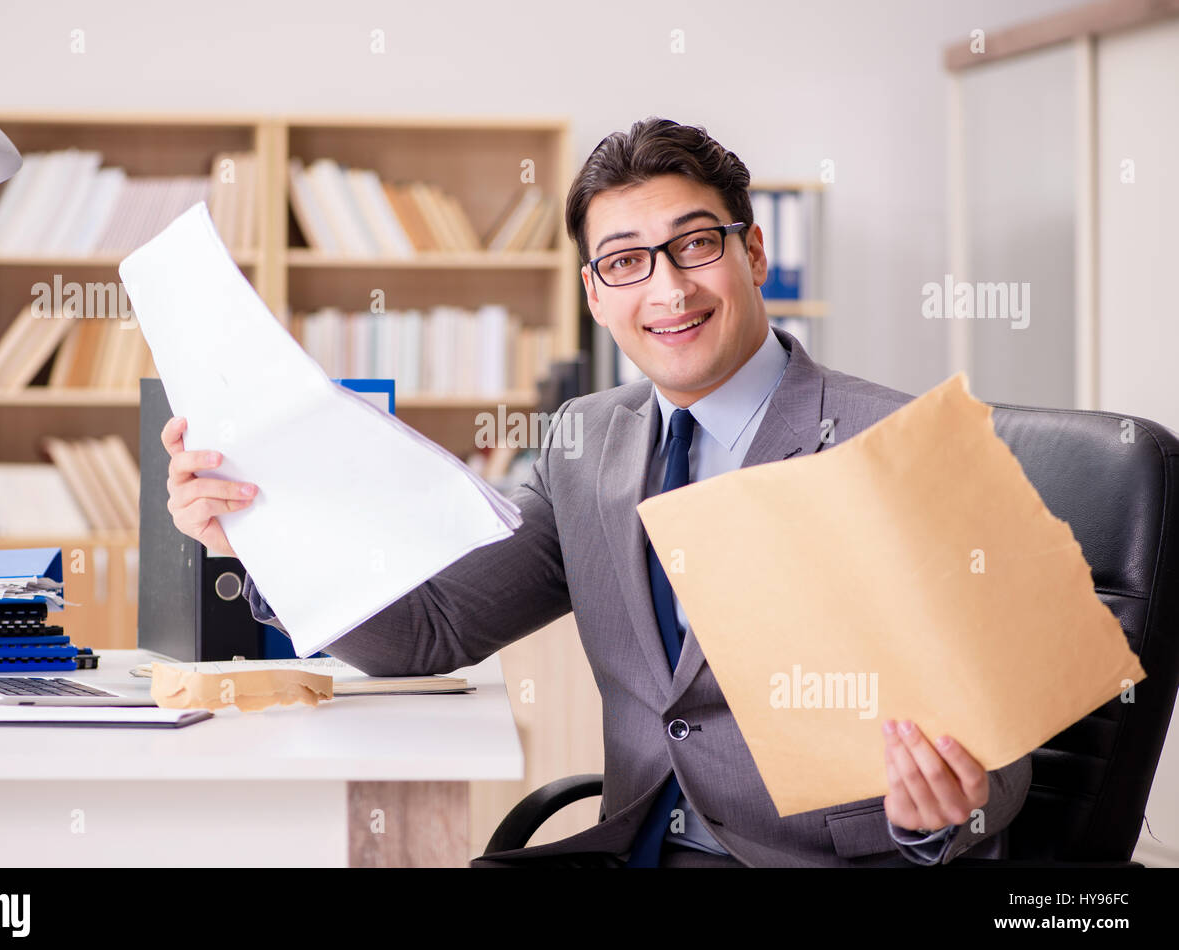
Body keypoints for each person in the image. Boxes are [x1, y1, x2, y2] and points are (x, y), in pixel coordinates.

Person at [161, 117, 1031, 867]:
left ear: (752, 251)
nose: (668, 288)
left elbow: (1008, 748)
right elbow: (431, 631)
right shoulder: (587, 442)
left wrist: (946, 815)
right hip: (632, 846)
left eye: (695, 244)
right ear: (594, 294)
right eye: (625, 262)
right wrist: (255, 536)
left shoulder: (893, 442)